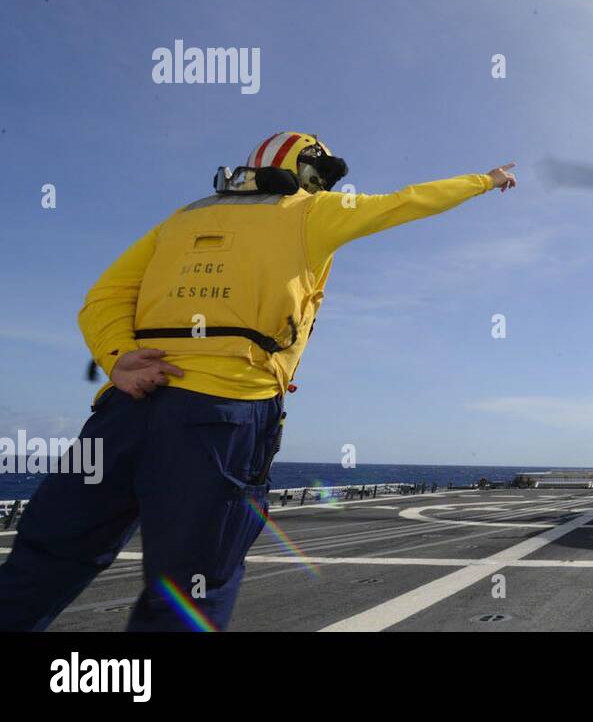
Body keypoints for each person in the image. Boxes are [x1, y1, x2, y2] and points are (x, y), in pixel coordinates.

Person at [0, 132, 516, 631]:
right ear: (305, 169)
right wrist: (485, 180)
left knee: (45, 557)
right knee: (194, 583)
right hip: (222, 415)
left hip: (126, 409)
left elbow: (103, 297)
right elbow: (406, 202)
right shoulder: (309, 211)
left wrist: (118, 358)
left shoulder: (182, 218)